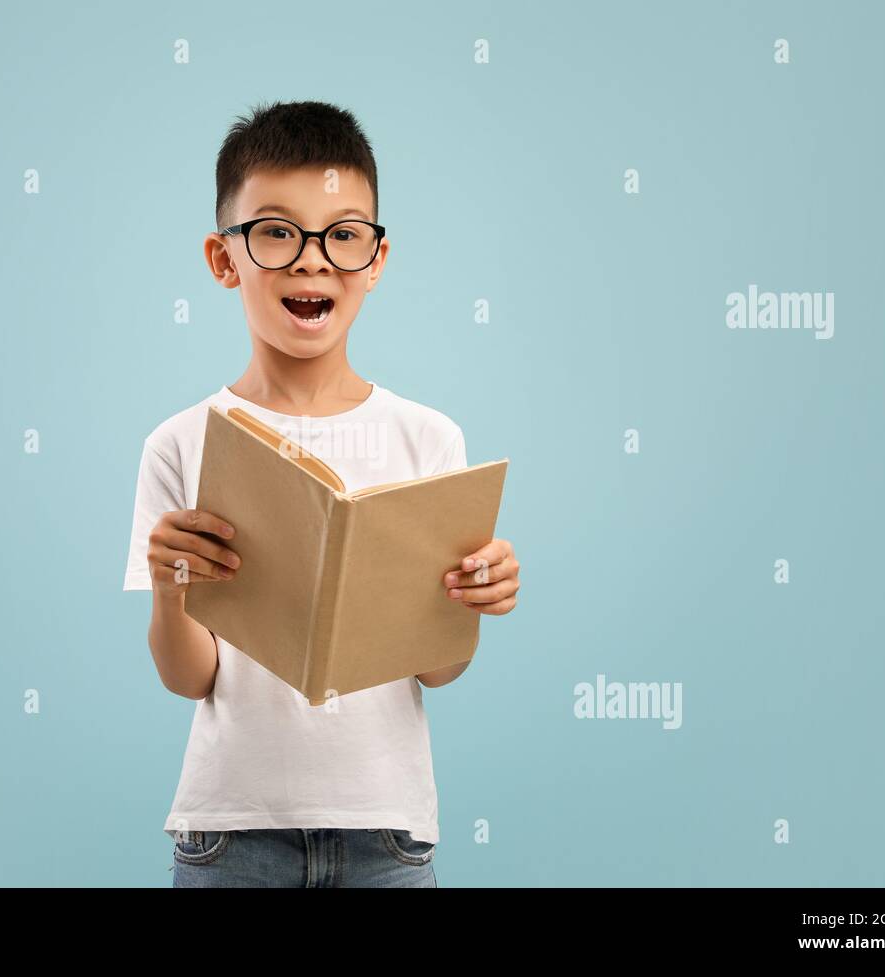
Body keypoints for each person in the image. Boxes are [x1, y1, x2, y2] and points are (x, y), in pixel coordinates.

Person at [122, 100, 521, 887]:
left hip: (389, 835)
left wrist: (475, 594)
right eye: (276, 231)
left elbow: (437, 671)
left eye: (344, 234)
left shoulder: (427, 437)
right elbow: (189, 677)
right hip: (231, 834)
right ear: (222, 257)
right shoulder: (181, 442)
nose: (313, 260)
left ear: (376, 259)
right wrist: (172, 590)